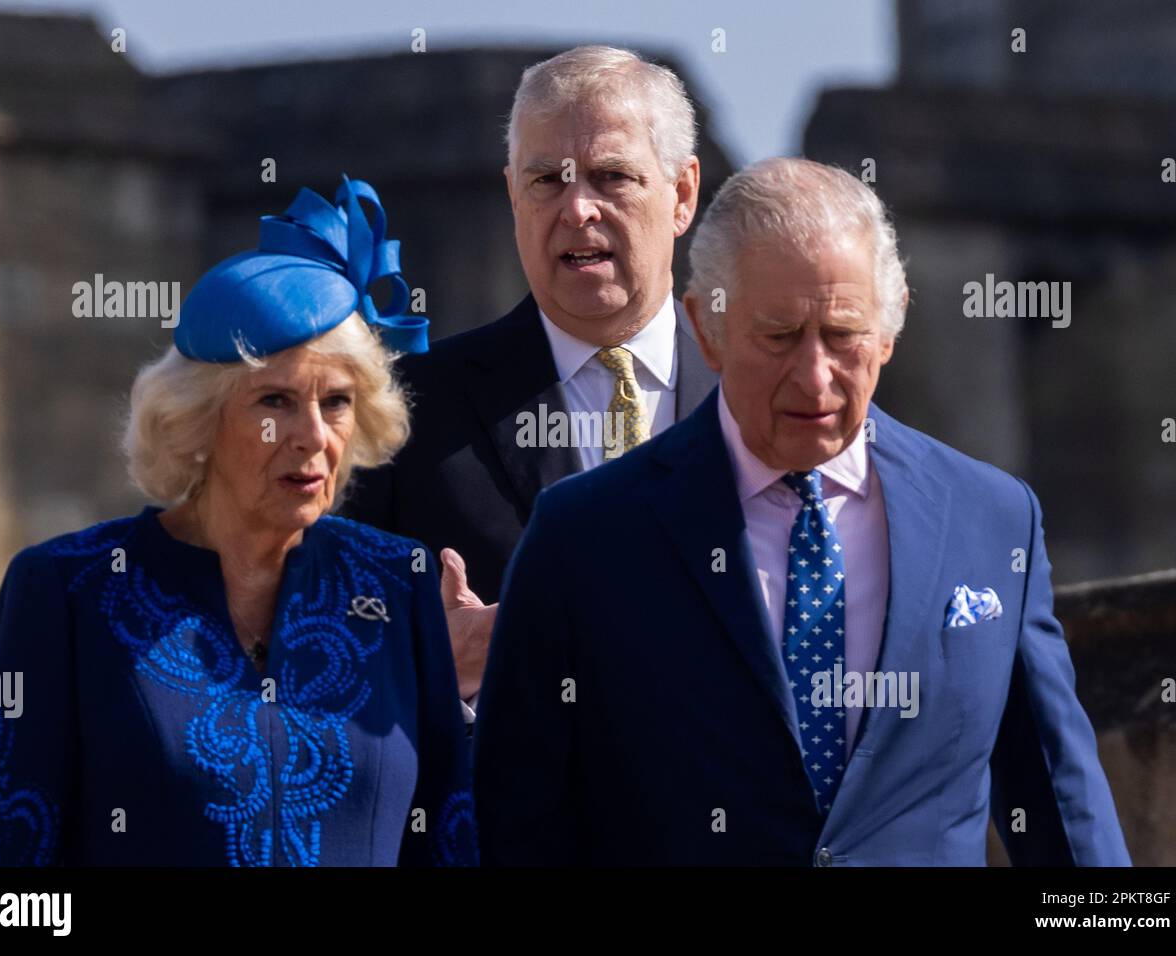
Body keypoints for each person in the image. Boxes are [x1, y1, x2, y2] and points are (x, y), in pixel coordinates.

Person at [473, 158, 1132, 866]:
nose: (815, 377)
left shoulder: (993, 518)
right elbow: (520, 826)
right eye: (780, 336)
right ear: (706, 328)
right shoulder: (585, 536)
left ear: (889, 327)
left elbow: (1058, 806)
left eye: (843, 334)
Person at [0, 178, 477, 866]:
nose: (313, 435)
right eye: (275, 401)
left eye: (337, 402)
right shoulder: (65, 591)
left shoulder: (397, 582)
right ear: (197, 419)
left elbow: (453, 840)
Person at [342, 46, 718, 712]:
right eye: (547, 180)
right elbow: (314, 670)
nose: (578, 209)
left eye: (610, 177)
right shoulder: (401, 413)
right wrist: (435, 667)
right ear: (513, 195)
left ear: (682, 193)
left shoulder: (761, 399)